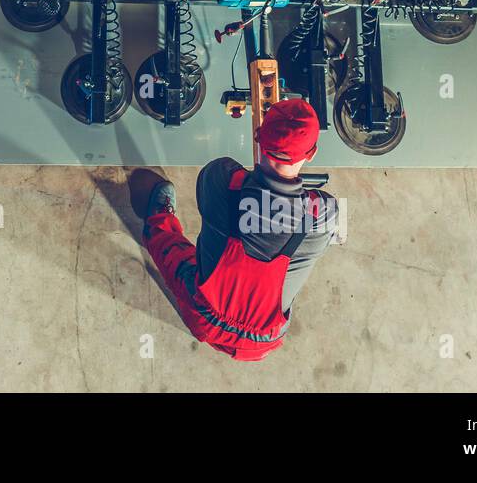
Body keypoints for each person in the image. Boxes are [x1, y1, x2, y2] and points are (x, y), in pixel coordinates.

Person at [142, 98, 338, 360]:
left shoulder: (221, 178)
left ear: (258, 136)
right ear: (311, 153)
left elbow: (214, 189)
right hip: (263, 341)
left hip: (205, 315)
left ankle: (157, 221)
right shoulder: (323, 215)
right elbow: (333, 233)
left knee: (170, 249)